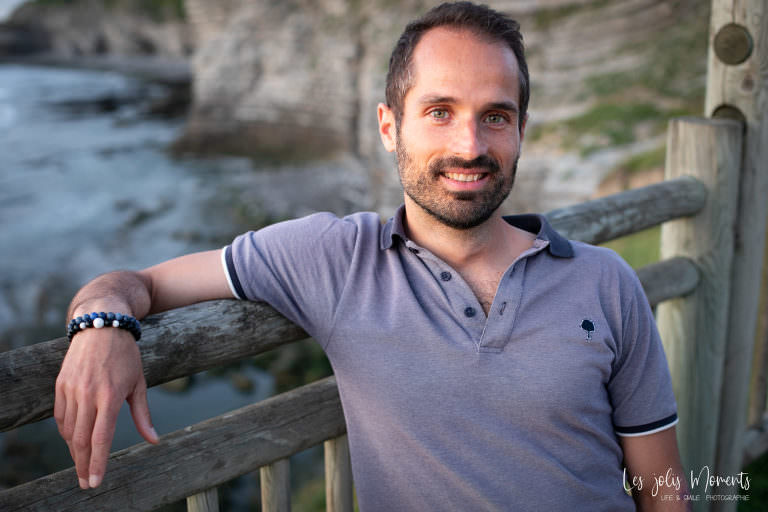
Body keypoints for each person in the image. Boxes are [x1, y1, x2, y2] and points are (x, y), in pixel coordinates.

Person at [55, 2, 690, 510]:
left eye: (495, 116)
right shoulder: (335, 259)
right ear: (389, 126)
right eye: (439, 112)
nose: (469, 145)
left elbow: (661, 490)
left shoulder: (606, 281)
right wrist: (102, 326)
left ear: (520, 130)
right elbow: (137, 281)